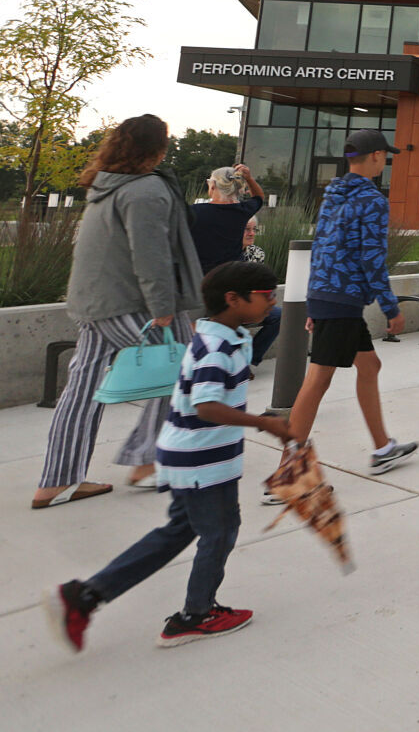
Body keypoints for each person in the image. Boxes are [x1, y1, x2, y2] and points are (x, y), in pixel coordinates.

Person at [44, 261, 291, 651]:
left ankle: (86, 596)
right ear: (233, 299)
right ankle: (195, 615)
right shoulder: (216, 346)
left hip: (192, 457)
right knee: (220, 531)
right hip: (202, 463)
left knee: (178, 530)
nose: (271, 303)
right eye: (265, 296)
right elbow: (207, 406)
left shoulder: (228, 335)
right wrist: (264, 423)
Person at [33, 114, 200, 508]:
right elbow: (152, 256)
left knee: (81, 390)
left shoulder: (105, 184)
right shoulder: (145, 191)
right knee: (186, 368)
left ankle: (57, 481)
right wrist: (162, 308)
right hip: (131, 304)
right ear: (157, 149)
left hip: (94, 302)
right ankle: (148, 459)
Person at [287, 128, 418, 477]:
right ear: (375, 156)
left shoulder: (333, 193)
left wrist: (314, 302)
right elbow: (372, 259)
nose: (385, 162)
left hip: (327, 295)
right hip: (341, 301)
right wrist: (391, 308)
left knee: (369, 366)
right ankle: (288, 472)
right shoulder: (373, 200)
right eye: (385, 156)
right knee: (317, 381)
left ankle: (383, 448)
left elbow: (321, 246)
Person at [191, 164, 281, 366]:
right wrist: (249, 177)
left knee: (194, 326)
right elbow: (259, 197)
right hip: (233, 286)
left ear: (212, 186)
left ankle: (198, 364)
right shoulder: (241, 211)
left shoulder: (194, 212)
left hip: (200, 287)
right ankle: (244, 362)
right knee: (274, 317)